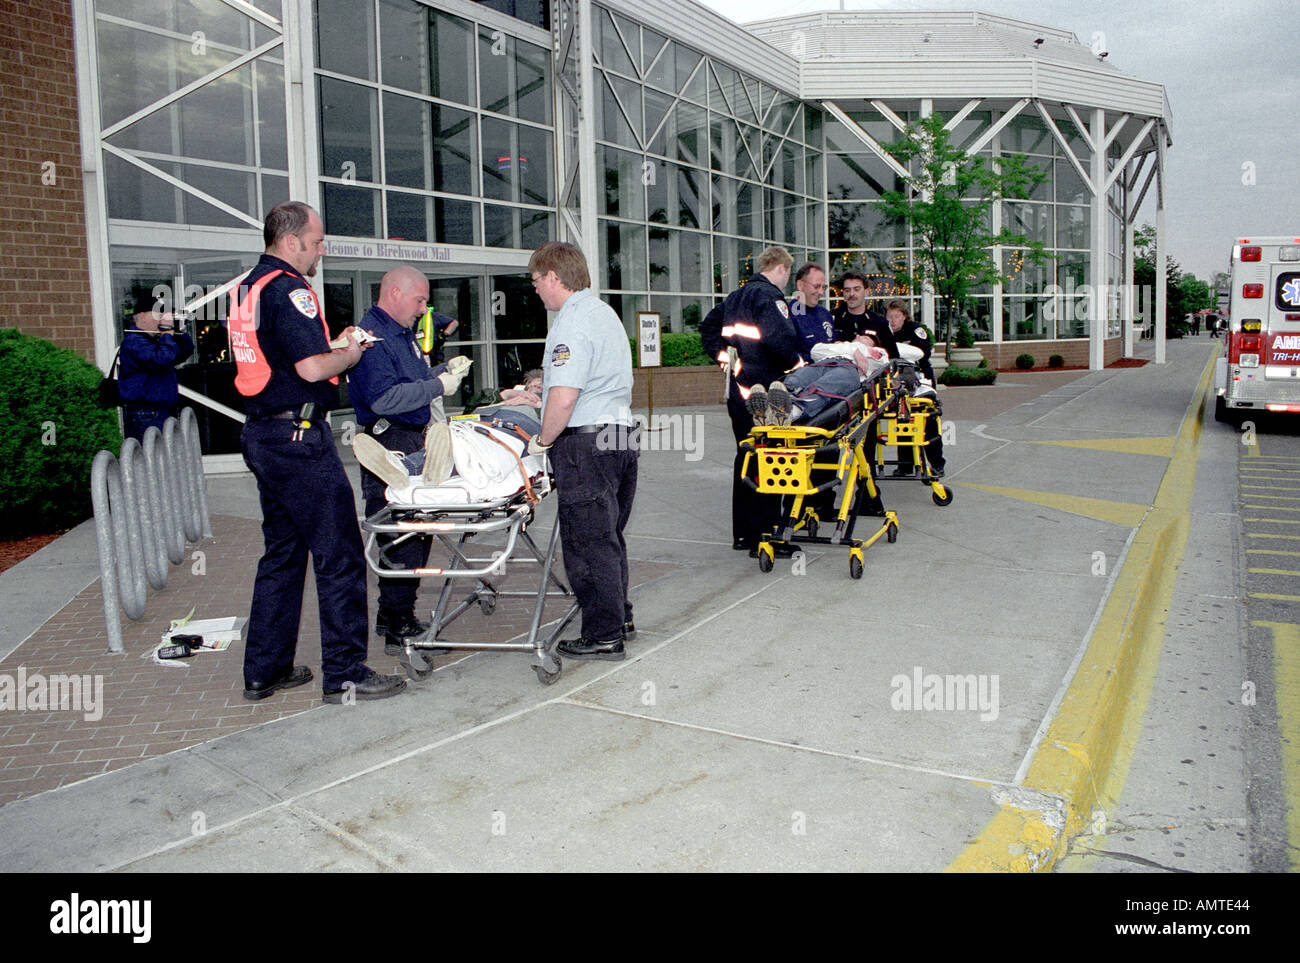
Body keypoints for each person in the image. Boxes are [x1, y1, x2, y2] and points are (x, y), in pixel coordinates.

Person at [231, 200, 405, 704]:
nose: (321, 250)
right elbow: (310, 369)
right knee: (340, 554)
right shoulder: (290, 289)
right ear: (291, 242)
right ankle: (346, 673)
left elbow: (281, 355)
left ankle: (265, 669)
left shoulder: (249, 288)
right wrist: (351, 351)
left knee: (283, 554)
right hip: (300, 440)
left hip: (264, 435)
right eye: (317, 241)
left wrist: (332, 344)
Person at [345, 265, 468, 652]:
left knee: (415, 532)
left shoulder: (399, 334)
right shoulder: (373, 338)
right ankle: (399, 624)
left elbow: (409, 382)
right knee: (402, 537)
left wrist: (441, 372)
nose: (423, 308)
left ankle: (395, 615)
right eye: (418, 300)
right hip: (391, 438)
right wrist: (437, 385)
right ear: (395, 293)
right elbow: (385, 399)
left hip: (410, 438)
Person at [526, 242, 638, 663]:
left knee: (588, 541)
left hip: (585, 443)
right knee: (609, 536)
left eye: (537, 282)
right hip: (619, 435)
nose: (536, 290)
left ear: (554, 277)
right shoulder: (603, 313)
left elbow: (566, 396)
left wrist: (543, 441)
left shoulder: (570, 323)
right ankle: (618, 617)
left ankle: (604, 634)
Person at [716, 246, 804, 554]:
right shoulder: (769, 297)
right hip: (765, 394)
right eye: (788, 273)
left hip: (738, 392)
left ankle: (744, 534)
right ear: (780, 268)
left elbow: (709, 330)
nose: (787, 280)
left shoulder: (735, 297)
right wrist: (800, 367)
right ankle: (767, 537)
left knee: (746, 459)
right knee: (772, 460)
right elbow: (780, 339)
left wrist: (725, 360)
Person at [117, 291, 195, 442]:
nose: (162, 318)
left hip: (161, 413)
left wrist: (177, 332)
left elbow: (183, 352)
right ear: (142, 316)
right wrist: (166, 333)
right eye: (158, 313)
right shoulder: (134, 342)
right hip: (146, 416)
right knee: (153, 462)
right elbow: (163, 358)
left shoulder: (155, 341)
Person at [884, 299, 945, 477]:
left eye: (897, 316)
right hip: (897, 382)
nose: (893, 321)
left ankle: (936, 464)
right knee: (903, 420)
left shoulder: (916, 330)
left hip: (921, 380)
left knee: (928, 423)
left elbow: (923, 351)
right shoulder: (885, 333)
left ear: (904, 316)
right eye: (890, 317)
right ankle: (905, 465)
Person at [833, 271, 899, 357]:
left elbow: (893, 358)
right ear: (844, 294)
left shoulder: (879, 323)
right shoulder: (832, 319)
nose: (851, 294)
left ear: (866, 292)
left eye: (857, 289)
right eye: (847, 290)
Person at [788, 263, 836, 362]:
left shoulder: (825, 314)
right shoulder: (788, 316)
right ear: (800, 285)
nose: (821, 292)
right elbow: (787, 355)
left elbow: (835, 346)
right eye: (816, 286)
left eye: (824, 287)